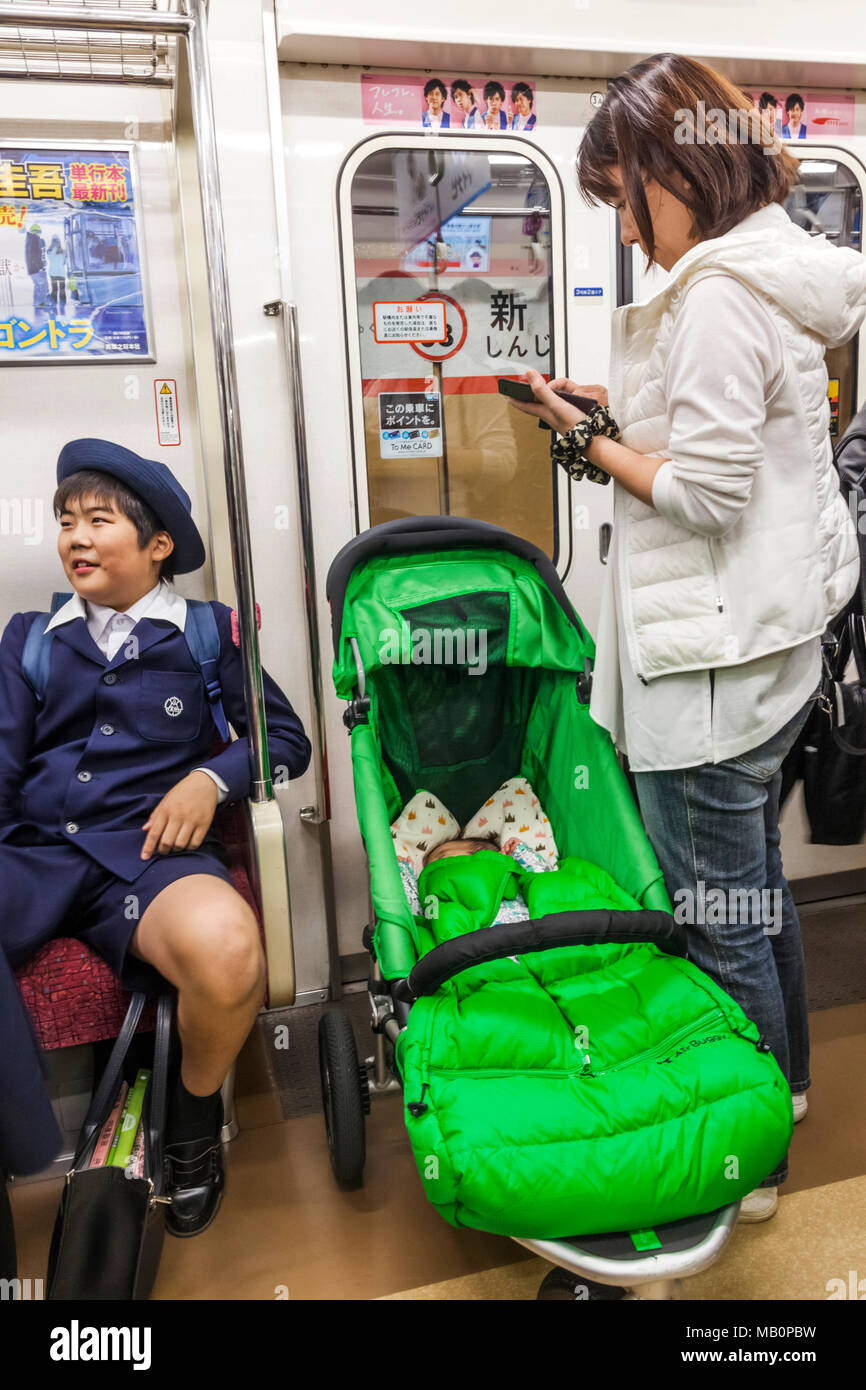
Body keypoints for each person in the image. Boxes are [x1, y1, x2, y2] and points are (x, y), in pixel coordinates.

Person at [506, 52, 866, 1223]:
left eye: (622, 194)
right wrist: (612, 423)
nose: (623, 224)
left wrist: (581, 443)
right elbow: (731, 457)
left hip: (707, 673)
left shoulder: (714, 292)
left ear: (675, 166)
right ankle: (792, 1089)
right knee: (752, 890)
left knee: (719, 920)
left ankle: (746, 1159)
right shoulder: (770, 276)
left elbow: (704, 494)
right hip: (759, 654)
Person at [0, 439, 311, 1237]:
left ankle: (193, 1125)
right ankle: (26, 1147)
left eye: (98, 521)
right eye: (65, 520)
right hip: (34, 854)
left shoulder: (209, 633)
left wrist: (212, 779)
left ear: (158, 544)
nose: (74, 537)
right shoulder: (30, 638)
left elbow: (285, 740)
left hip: (148, 861)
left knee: (229, 947)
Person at [24, 223, 49, 313]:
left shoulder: (29, 240)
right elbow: (36, 256)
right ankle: (40, 303)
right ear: (36, 232)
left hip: (31, 269)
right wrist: (41, 267)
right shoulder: (35, 240)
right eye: (39, 232)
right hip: (36, 269)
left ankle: (36, 302)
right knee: (42, 286)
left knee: (38, 286)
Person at [46, 234, 67, 313]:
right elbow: (51, 257)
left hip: (61, 273)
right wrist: (55, 247)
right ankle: (54, 305)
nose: (56, 243)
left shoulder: (63, 251)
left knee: (62, 290)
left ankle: (63, 306)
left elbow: (65, 262)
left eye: (57, 241)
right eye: (54, 241)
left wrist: (65, 255)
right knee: (54, 290)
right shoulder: (49, 250)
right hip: (53, 273)